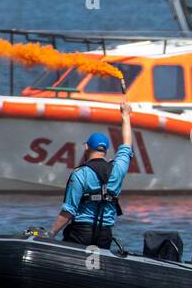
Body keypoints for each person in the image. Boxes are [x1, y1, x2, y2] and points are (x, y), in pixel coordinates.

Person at [48, 102, 133, 248]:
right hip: (105, 235)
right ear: (105, 151)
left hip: (81, 232)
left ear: (86, 147)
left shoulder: (80, 174)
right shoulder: (118, 169)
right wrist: (126, 116)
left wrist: (51, 234)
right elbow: (127, 144)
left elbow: (68, 211)